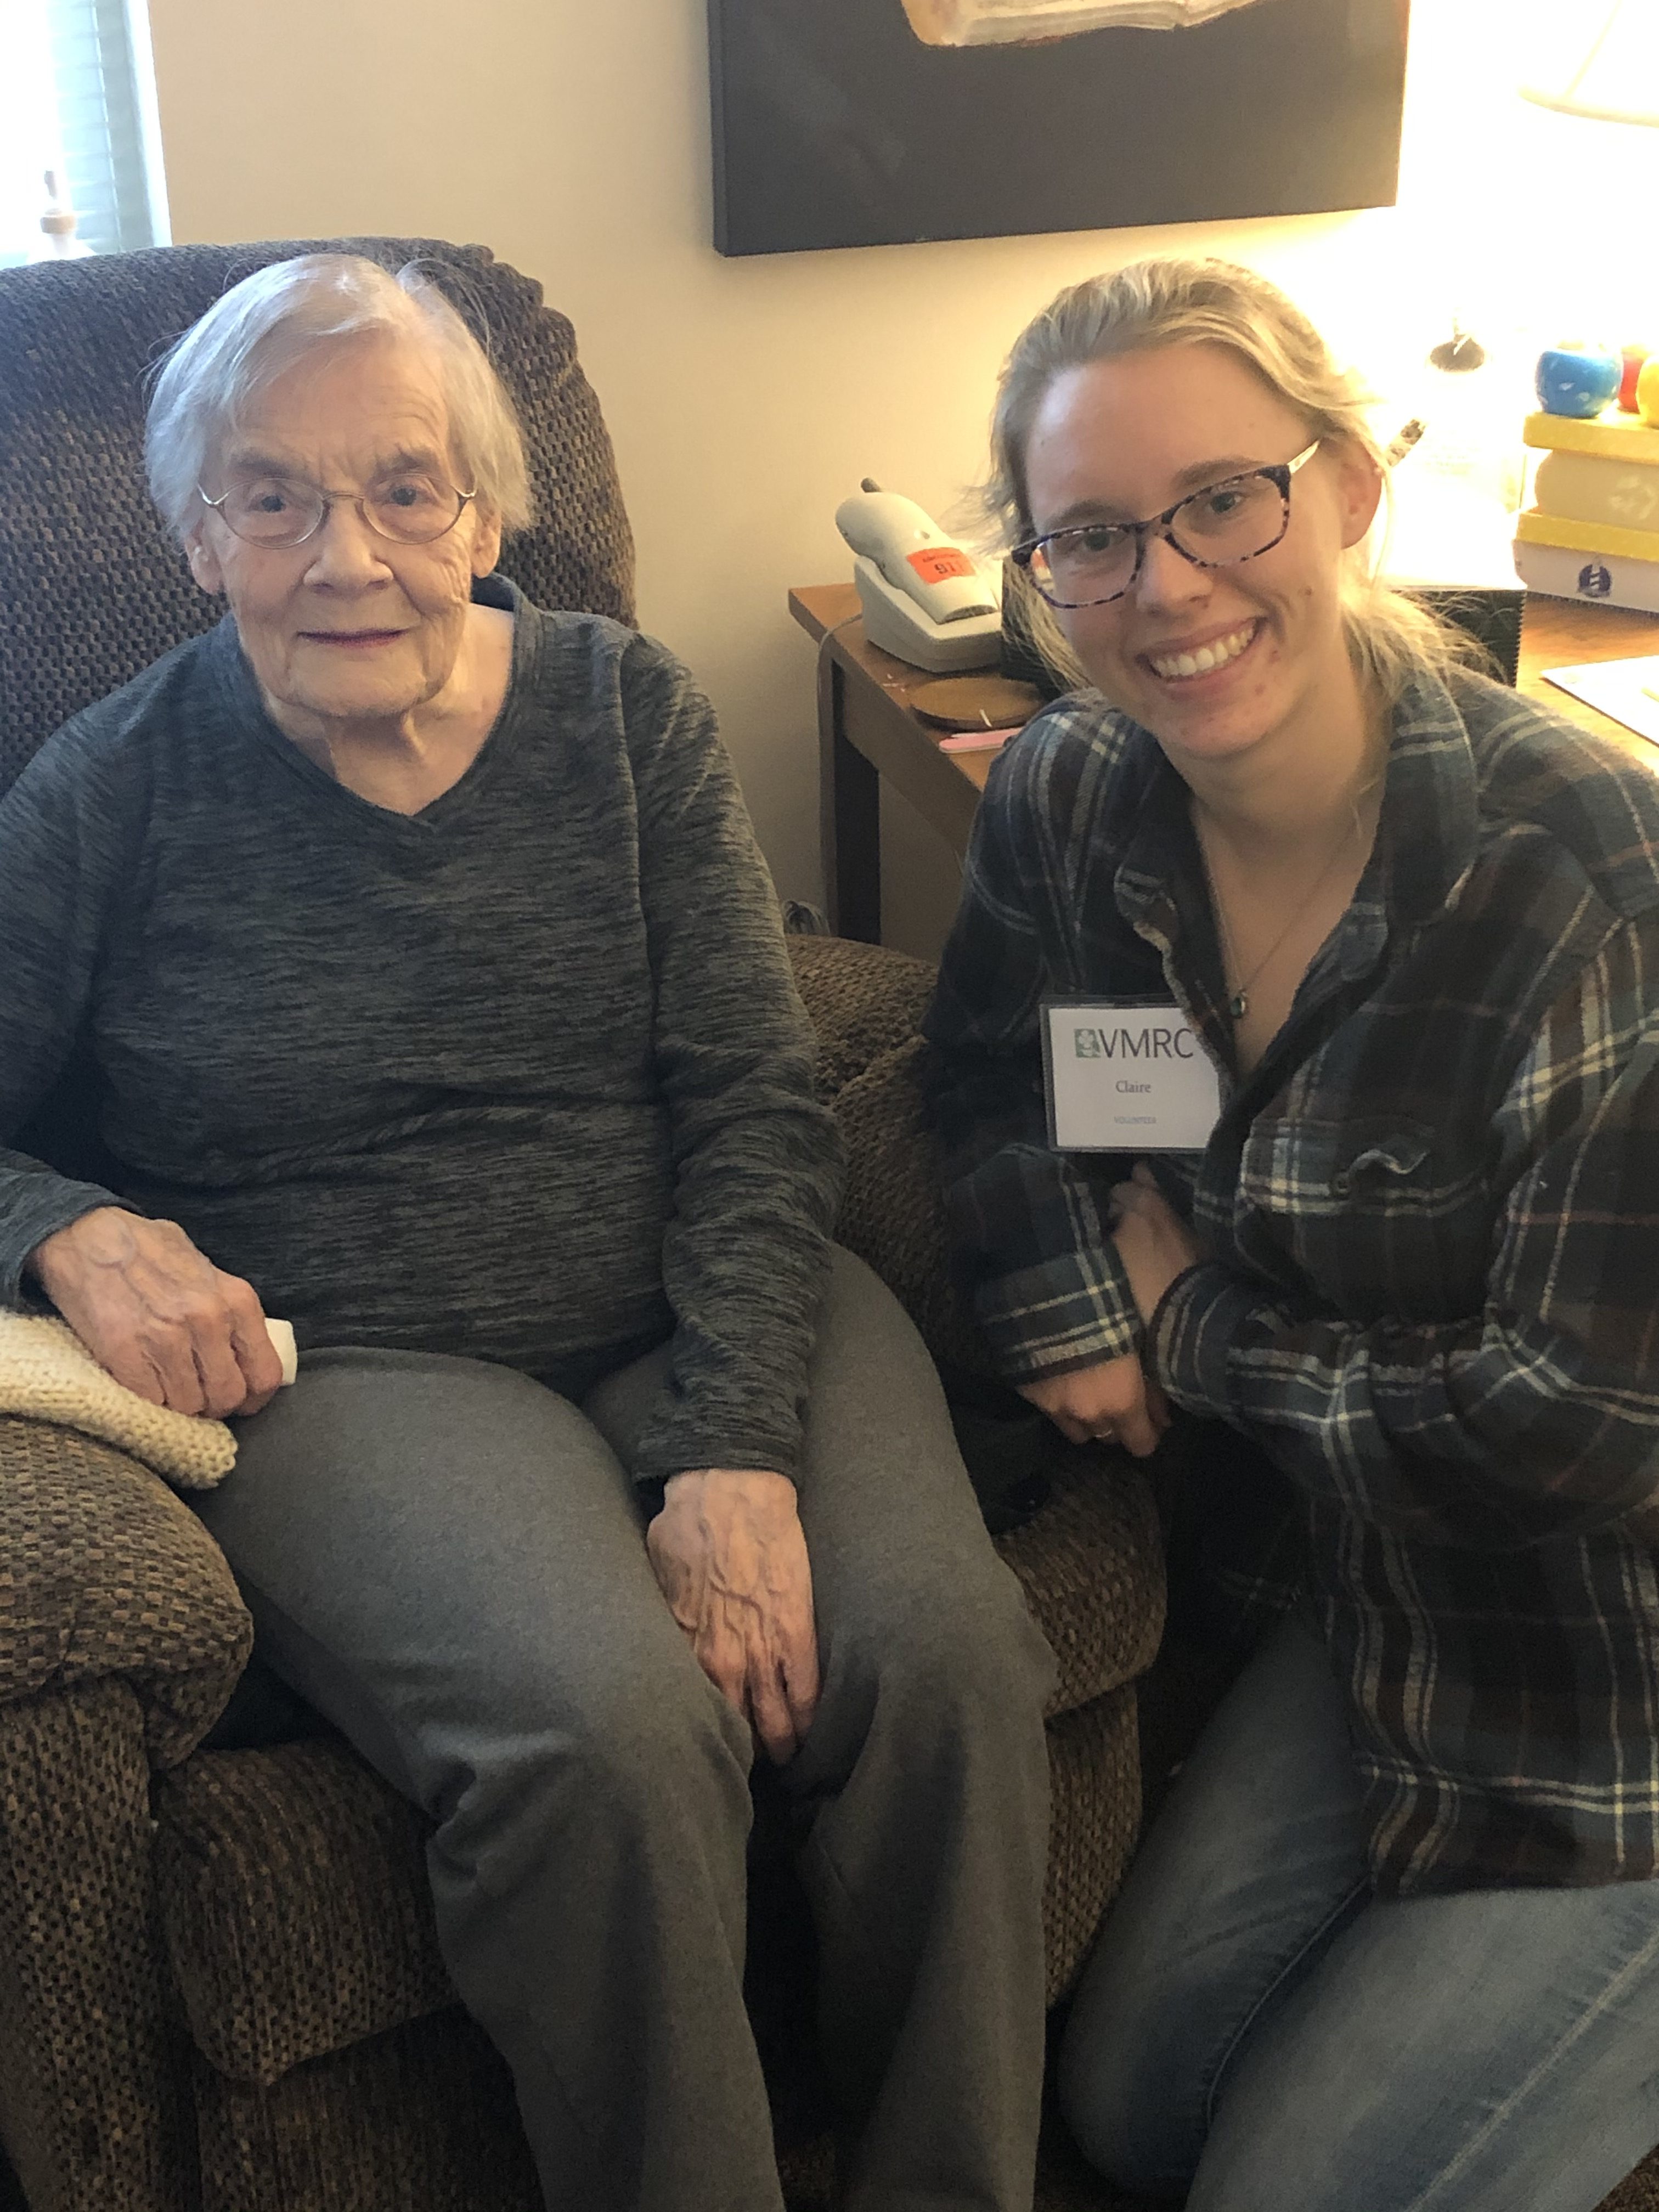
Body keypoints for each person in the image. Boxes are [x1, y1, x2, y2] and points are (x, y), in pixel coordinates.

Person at [0, 252, 1056, 2212]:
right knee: (606, 1738)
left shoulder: (622, 710)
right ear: (193, 534)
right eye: (272, 496)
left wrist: (733, 1446)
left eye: (406, 487)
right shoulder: (109, 788)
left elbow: (753, 1091)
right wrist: (61, 1226)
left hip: (707, 1296)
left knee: (946, 1663)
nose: (347, 556)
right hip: (365, 1367)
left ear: (486, 516)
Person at [923, 255, 1659, 2212]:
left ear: (1344, 489)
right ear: (1043, 574)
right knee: (1126, 2111)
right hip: (1366, 1590)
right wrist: (1074, 1302)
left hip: (1613, 1642)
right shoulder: (1076, 798)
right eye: (1093, 536)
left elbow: (1578, 1428)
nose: (1165, 587)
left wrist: (1189, 1337)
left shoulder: (1589, 878)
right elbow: (1001, 1086)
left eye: (1222, 502)